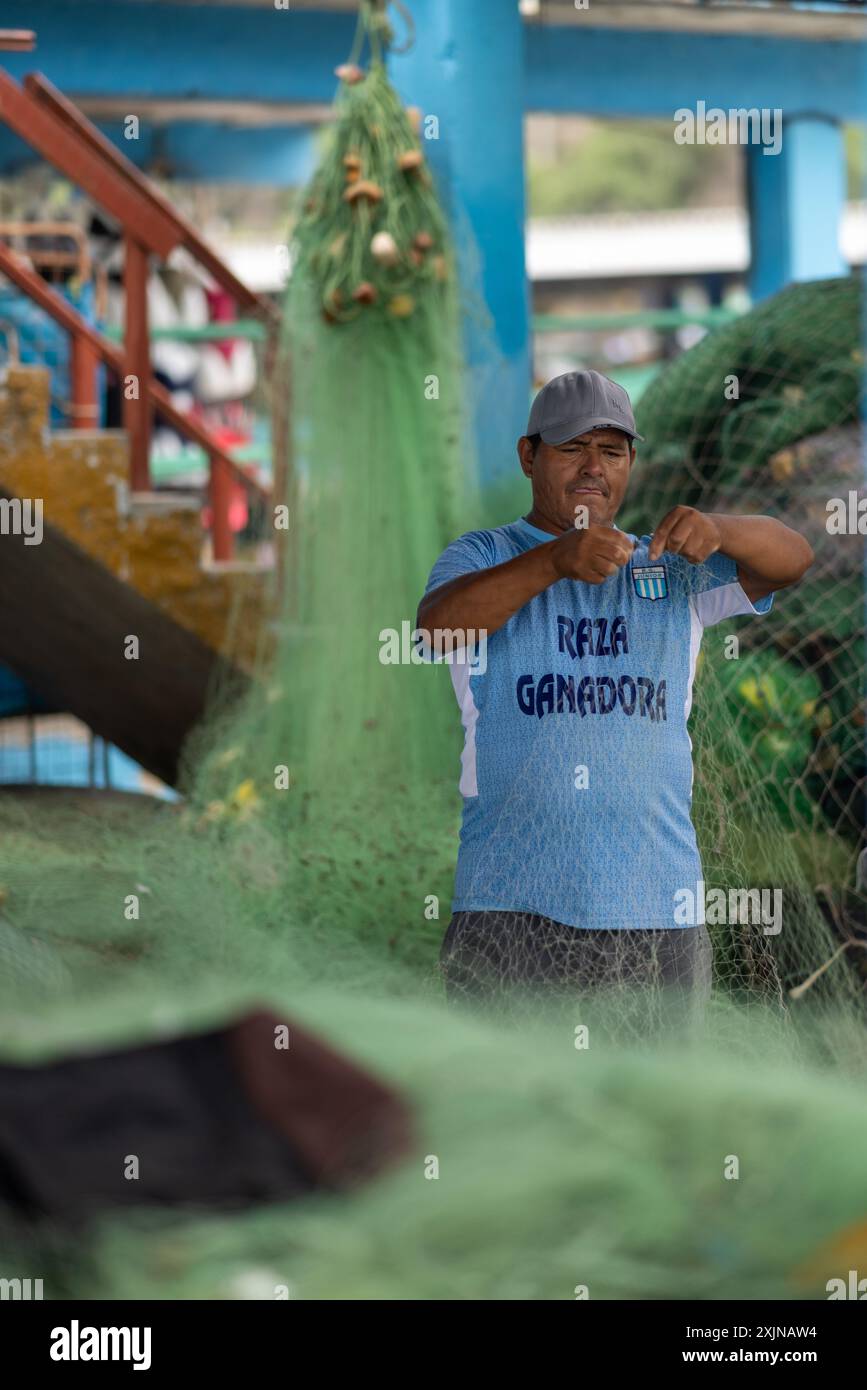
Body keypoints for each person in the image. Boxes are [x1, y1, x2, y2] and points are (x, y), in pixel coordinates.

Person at [418, 369, 814, 1010]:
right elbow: (438, 630)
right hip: (507, 908)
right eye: (572, 447)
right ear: (529, 456)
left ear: (631, 461)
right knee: (509, 1106)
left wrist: (720, 527)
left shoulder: (669, 566)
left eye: (612, 450)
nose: (593, 467)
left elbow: (792, 558)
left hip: (659, 909)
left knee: (661, 1108)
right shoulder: (483, 555)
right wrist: (554, 560)